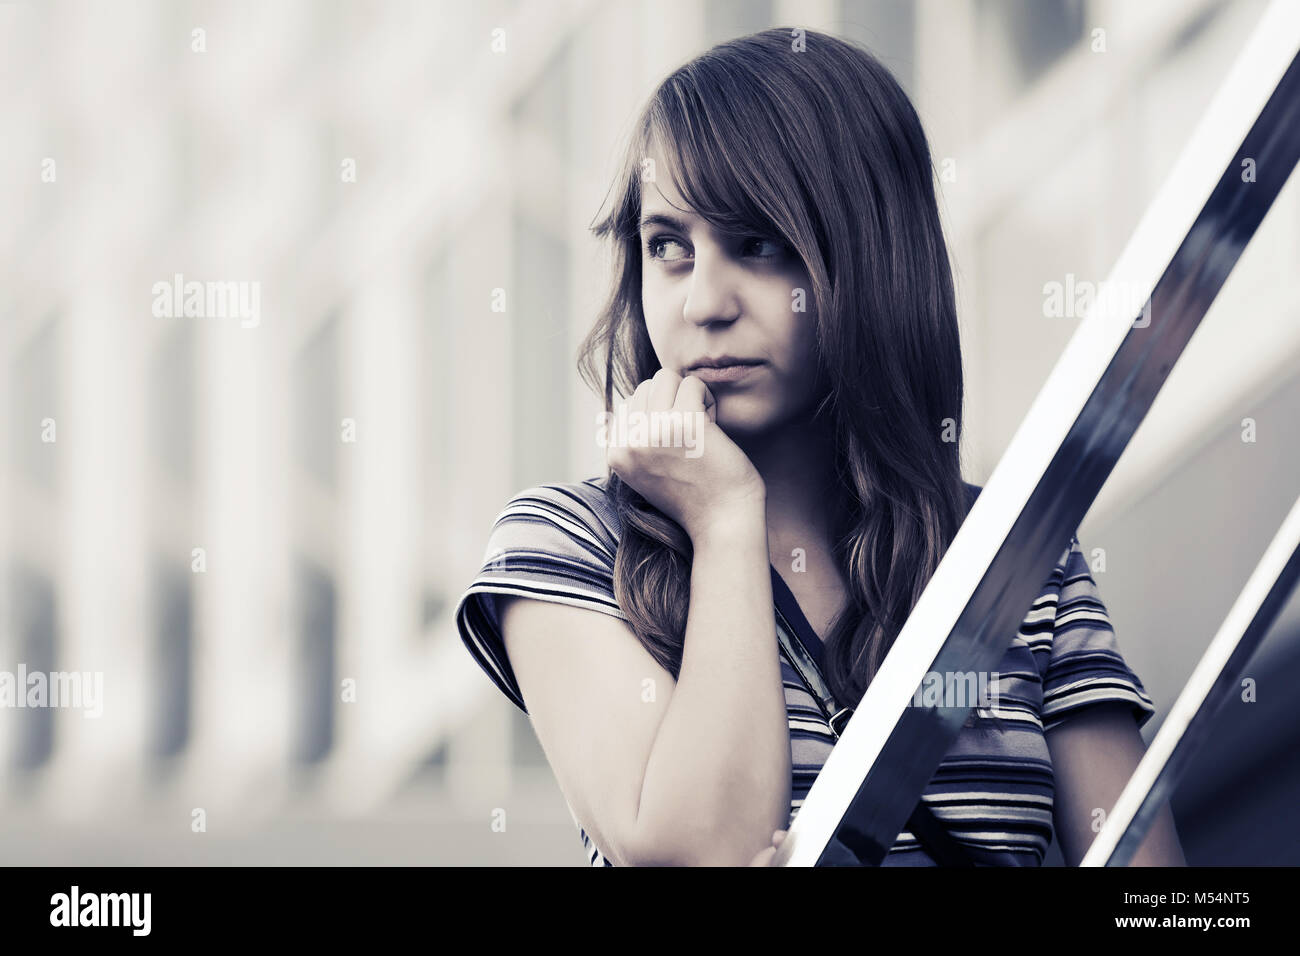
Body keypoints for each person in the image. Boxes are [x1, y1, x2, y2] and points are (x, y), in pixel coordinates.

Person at [454, 27, 1186, 867]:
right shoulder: (566, 545)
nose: (704, 303)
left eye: (757, 244)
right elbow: (701, 856)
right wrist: (726, 521)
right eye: (669, 247)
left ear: (868, 254)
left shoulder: (1018, 558)